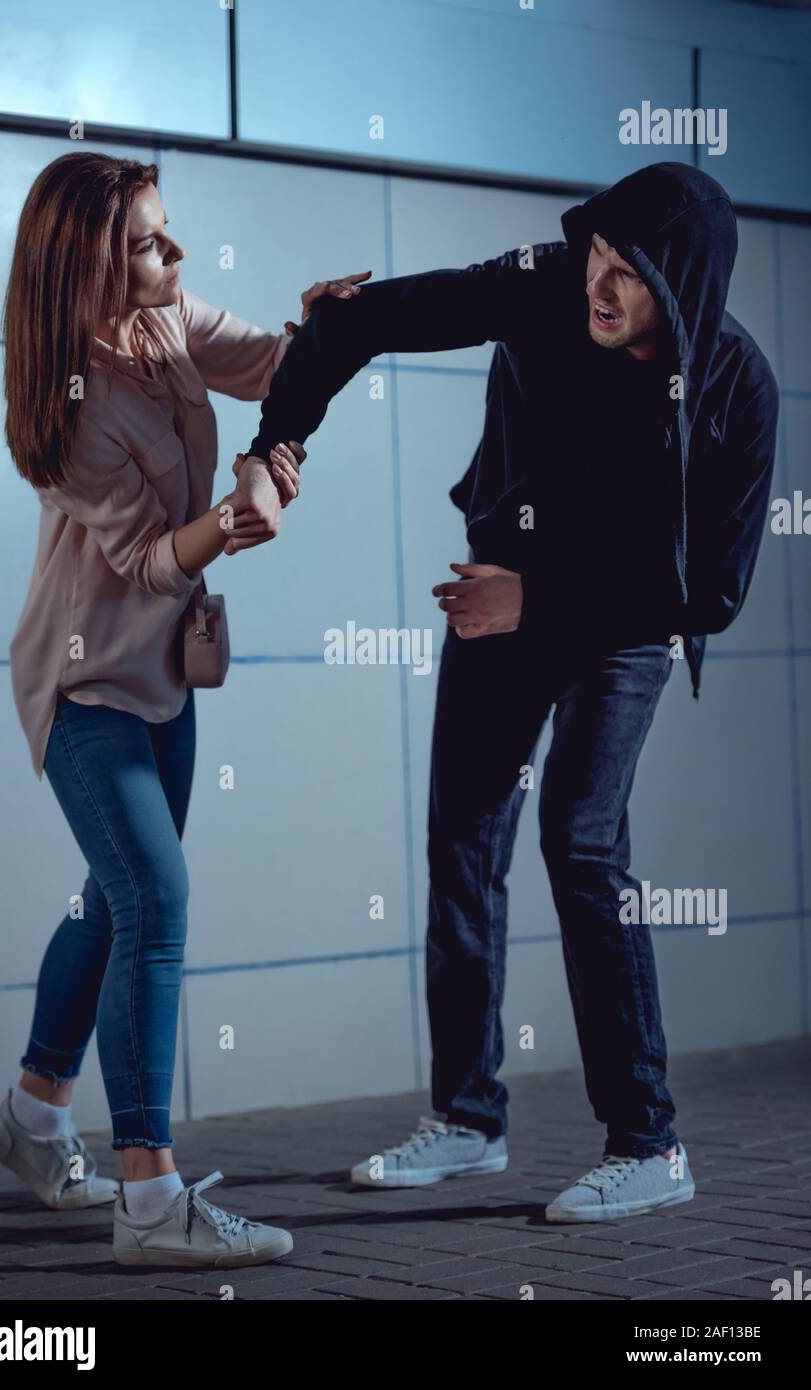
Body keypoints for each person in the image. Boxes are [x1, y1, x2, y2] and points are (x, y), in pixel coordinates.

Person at [232, 162, 779, 1222]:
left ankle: (650, 1142)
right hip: (499, 590)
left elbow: (711, 587)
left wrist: (541, 598)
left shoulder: (737, 390)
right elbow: (364, 321)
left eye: (630, 276)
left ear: (686, 292)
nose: (599, 289)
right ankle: (469, 1121)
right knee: (465, 841)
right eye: (600, 260)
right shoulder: (547, 279)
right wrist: (273, 445)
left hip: (620, 624)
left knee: (581, 838)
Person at [0, 150, 366, 1267]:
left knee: (115, 899)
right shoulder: (64, 407)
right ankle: (149, 1200)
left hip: (161, 675)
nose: (175, 253)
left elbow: (272, 365)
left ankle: (32, 1117)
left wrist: (329, 331)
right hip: (83, 679)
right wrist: (239, 513)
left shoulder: (166, 320)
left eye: (166, 231)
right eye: (151, 241)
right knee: (156, 894)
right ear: (91, 264)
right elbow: (150, 560)